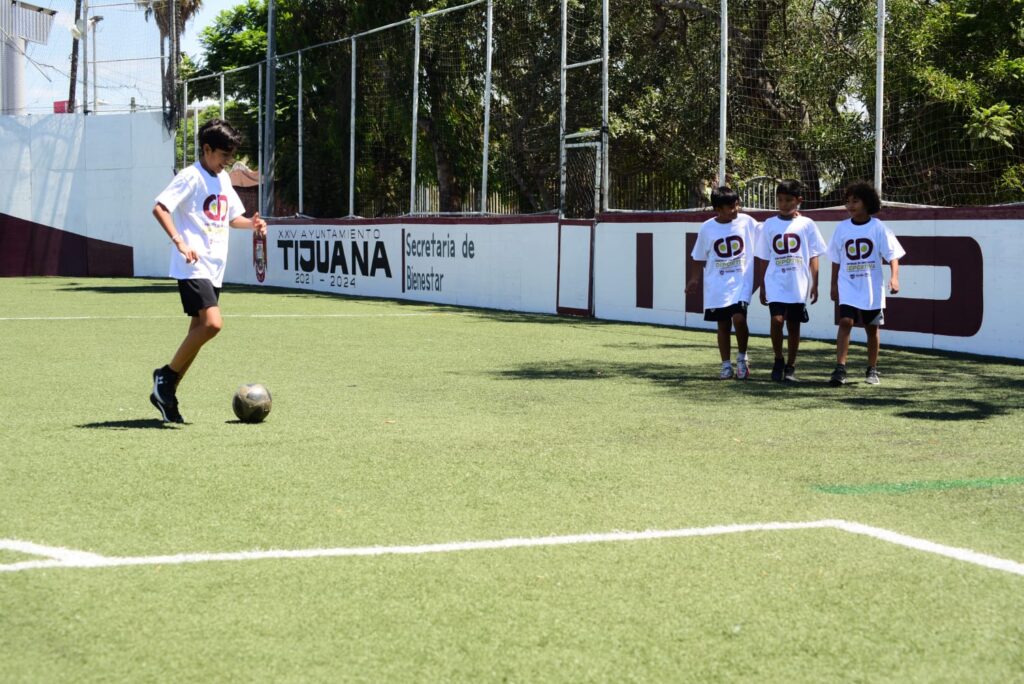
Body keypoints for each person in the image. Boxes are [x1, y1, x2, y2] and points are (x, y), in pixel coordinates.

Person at [149, 119, 267, 423]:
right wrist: (179, 241)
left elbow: (232, 218)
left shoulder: (223, 178)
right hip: (193, 265)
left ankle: (167, 392)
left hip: (214, 268)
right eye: (223, 156)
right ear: (207, 149)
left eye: (229, 157)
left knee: (197, 334)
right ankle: (165, 376)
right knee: (213, 324)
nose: (227, 162)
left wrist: (253, 224)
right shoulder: (191, 176)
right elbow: (160, 207)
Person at [827, 181, 904, 386]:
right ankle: (840, 368)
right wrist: (833, 285)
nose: (850, 205)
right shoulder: (842, 228)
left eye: (855, 201)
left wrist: (894, 277)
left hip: (872, 287)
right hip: (848, 285)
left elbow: (893, 256)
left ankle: (872, 369)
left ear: (867, 202)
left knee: (872, 328)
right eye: (848, 201)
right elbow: (836, 259)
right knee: (846, 322)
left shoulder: (878, 227)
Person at [755, 179, 828, 383]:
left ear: (798, 201)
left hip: (798, 284)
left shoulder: (807, 224)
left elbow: (814, 255)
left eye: (788, 200)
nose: (784, 204)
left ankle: (791, 366)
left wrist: (815, 282)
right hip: (776, 282)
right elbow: (763, 256)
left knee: (794, 325)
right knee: (777, 321)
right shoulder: (769, 224)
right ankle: (778, 359)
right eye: (780, 200)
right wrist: (762, 285)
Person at [686, 186, 761, 379]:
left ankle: (742, 357)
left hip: (741, 282)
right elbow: (698, 256)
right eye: (730, 207)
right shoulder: (707, 228)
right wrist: (694, 279)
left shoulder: (747, 222)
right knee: (723, 325)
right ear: (717, 209)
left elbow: (765, 235)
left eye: (736, 204)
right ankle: (726, 365)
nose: (735, 209)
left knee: (739, 319)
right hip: (717, 285)